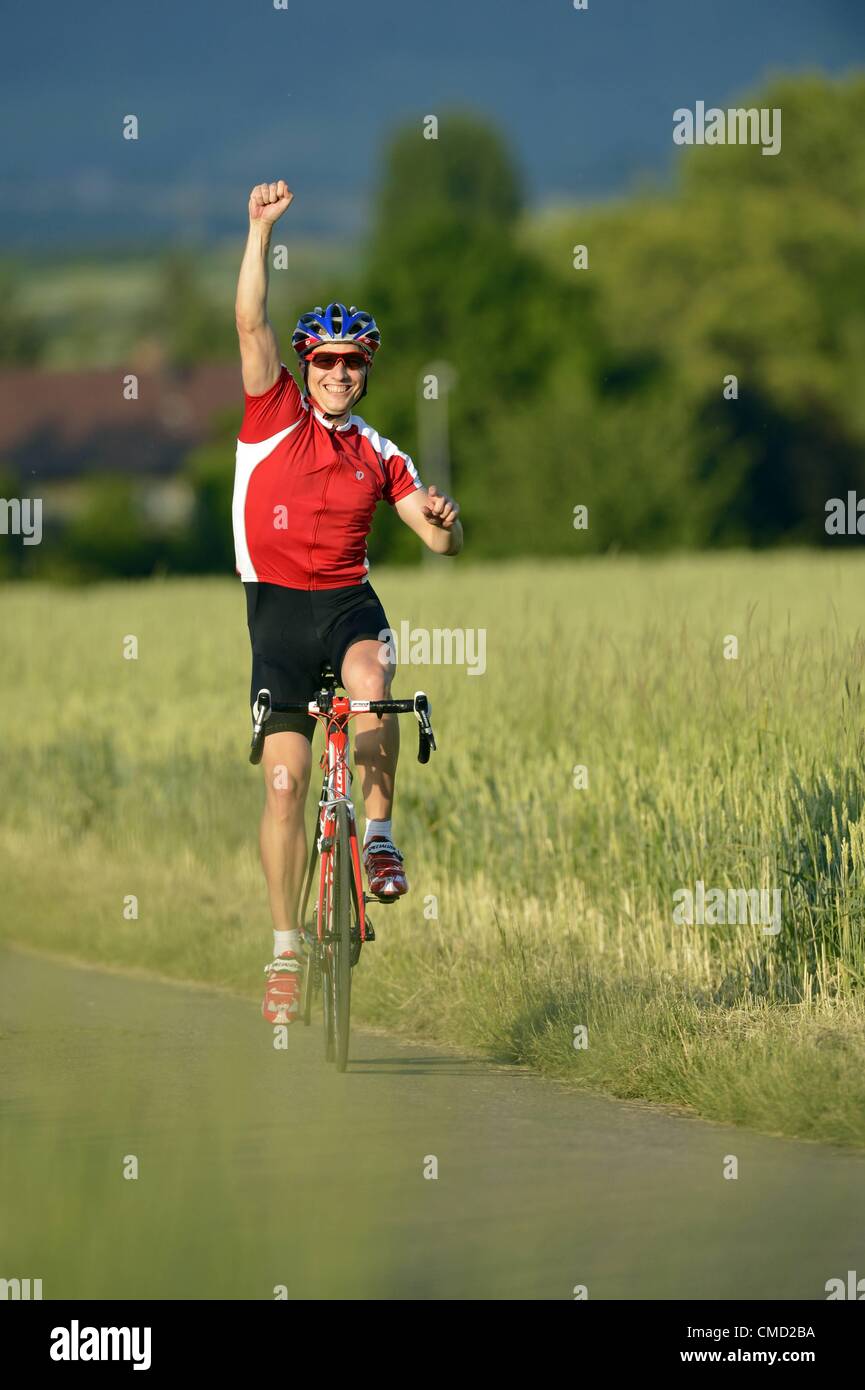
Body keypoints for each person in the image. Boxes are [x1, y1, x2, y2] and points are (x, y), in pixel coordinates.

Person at [233, 179, 463, 1025]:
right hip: (277, 617)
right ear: (307, 367)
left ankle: (376, 834)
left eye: (351, 361)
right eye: (323, 360)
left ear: (366, 371)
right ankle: (285, 952)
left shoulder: (381, 452)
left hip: (345, 605)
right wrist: (259, 232)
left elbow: (434, 538)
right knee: (287, 785)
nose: (335, 372)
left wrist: (447, 523)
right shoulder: (273, 416)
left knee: (374, 678)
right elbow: (251, 324)